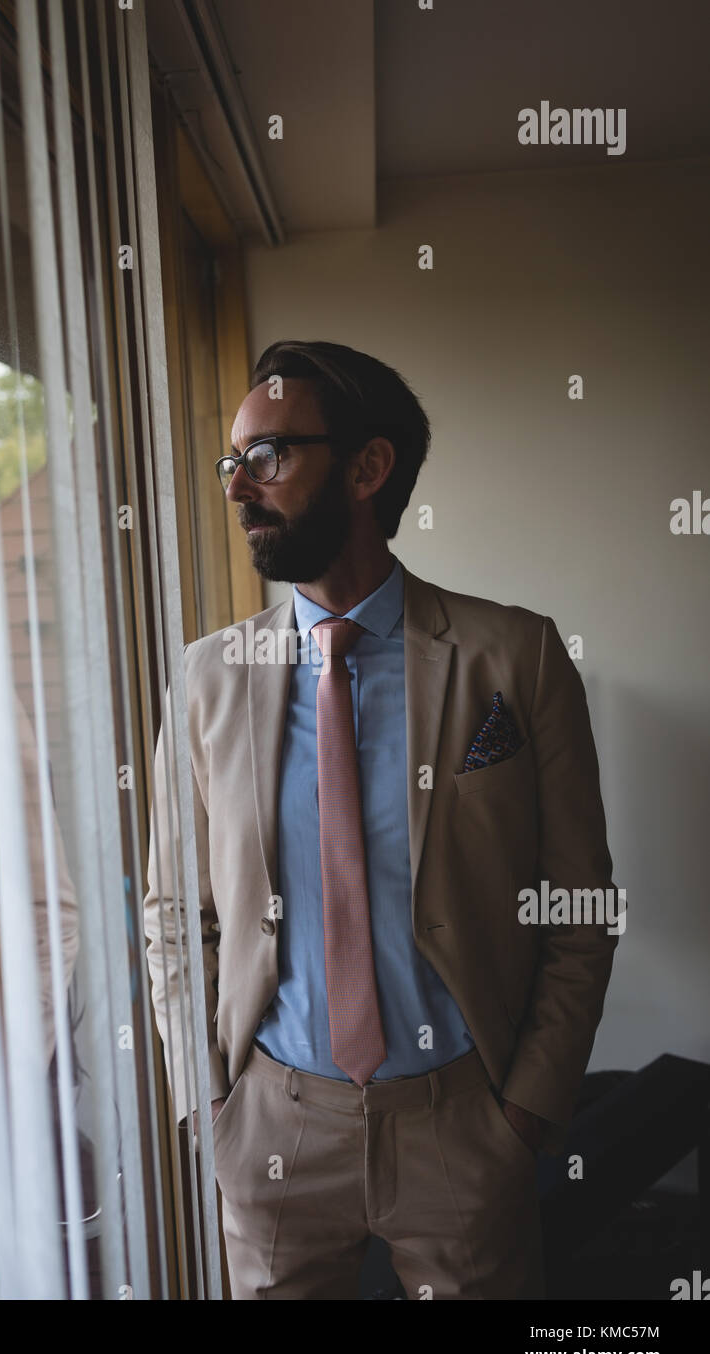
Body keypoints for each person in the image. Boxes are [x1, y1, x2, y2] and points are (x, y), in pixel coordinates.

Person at [143, 339, 620, 1300]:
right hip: (271, 1125)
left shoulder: (513, 658)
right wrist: (209, 1102)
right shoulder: (204, 680)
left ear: (368, 468)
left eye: (269, 456)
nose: (239, 488)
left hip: (461, 1125)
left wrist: (525, 1111)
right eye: (232, 462)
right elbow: (174, 912)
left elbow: (577, 908)